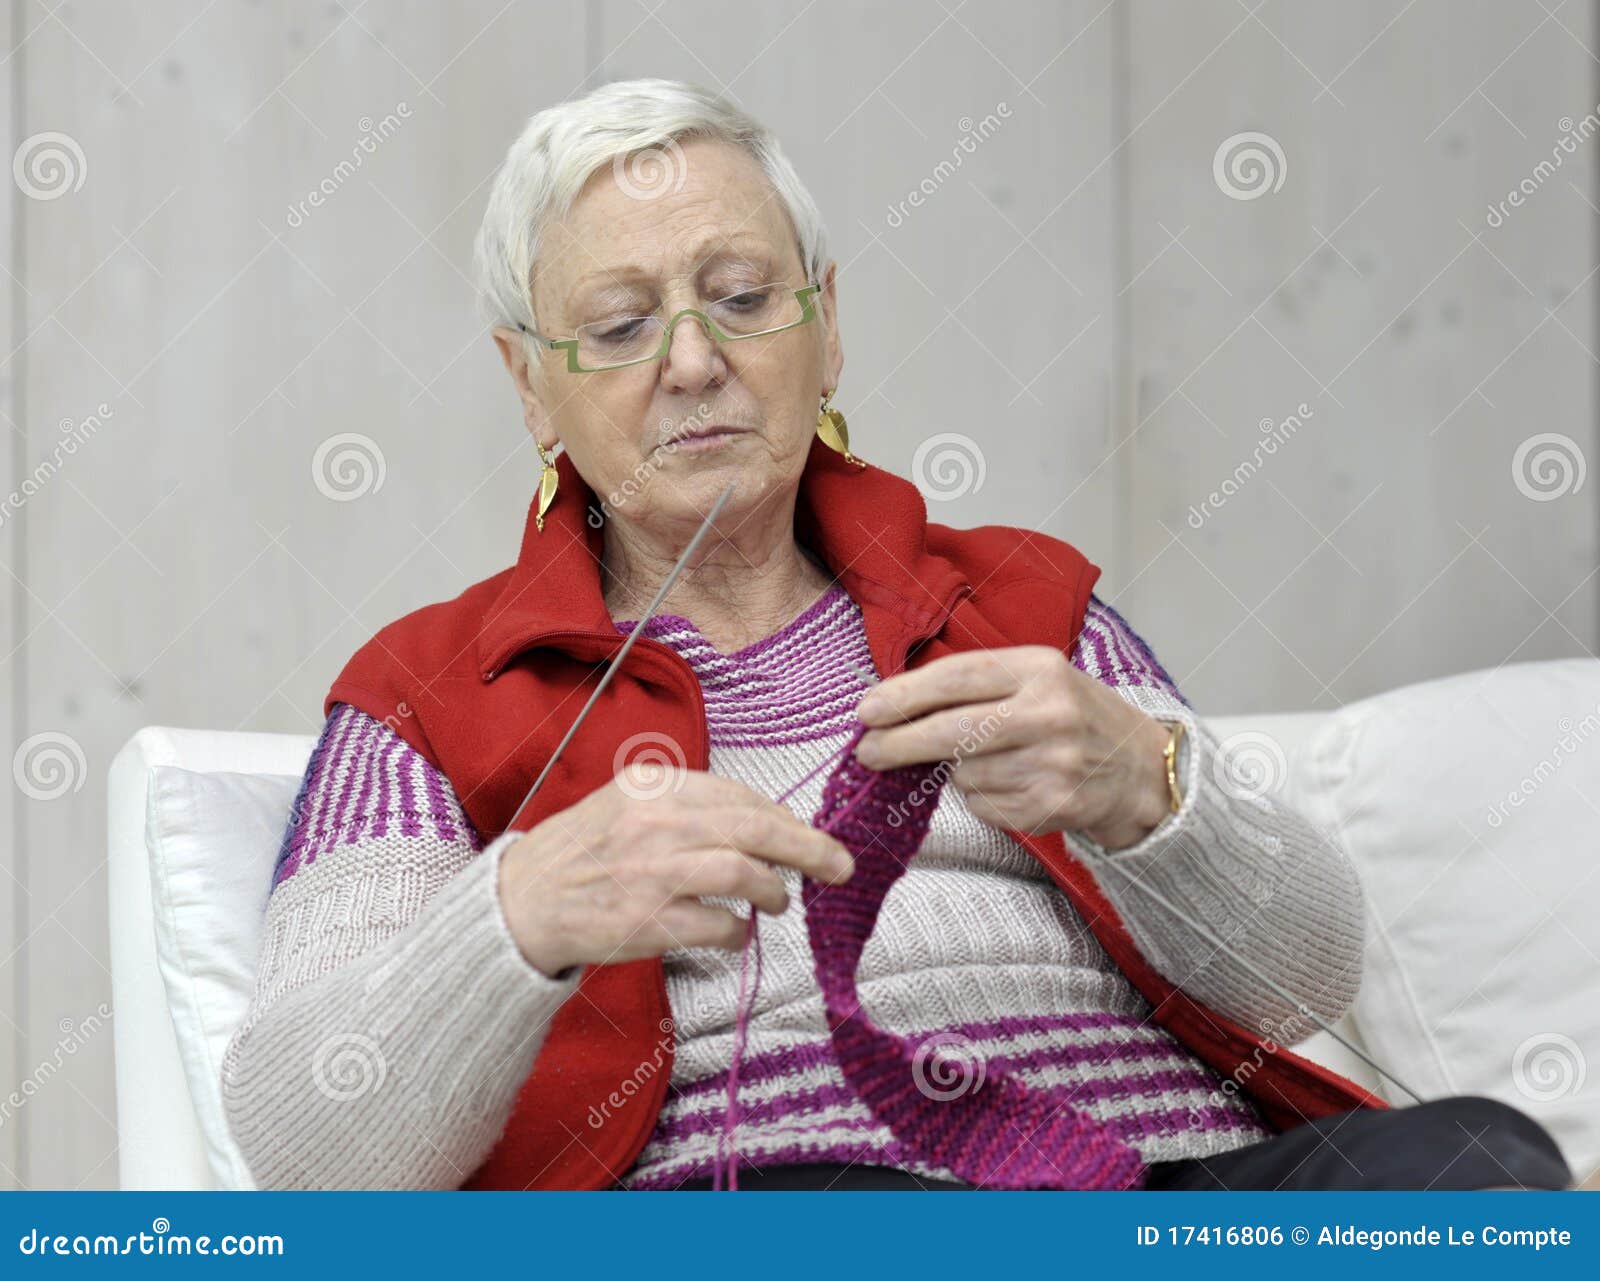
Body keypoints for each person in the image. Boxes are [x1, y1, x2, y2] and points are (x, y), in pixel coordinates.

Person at [220, 78, 1572, 1193]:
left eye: (743, 296)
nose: (694, 362)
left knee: (1483, 1162)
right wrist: (517, 911)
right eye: (623, 326)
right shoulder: (427, 693)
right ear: (533, 385)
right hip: (790, 1198)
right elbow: (308, 1143)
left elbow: (1301, 977)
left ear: (826, 323)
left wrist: (1154, 794)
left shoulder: (1023, 610)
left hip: (1160, 1192)